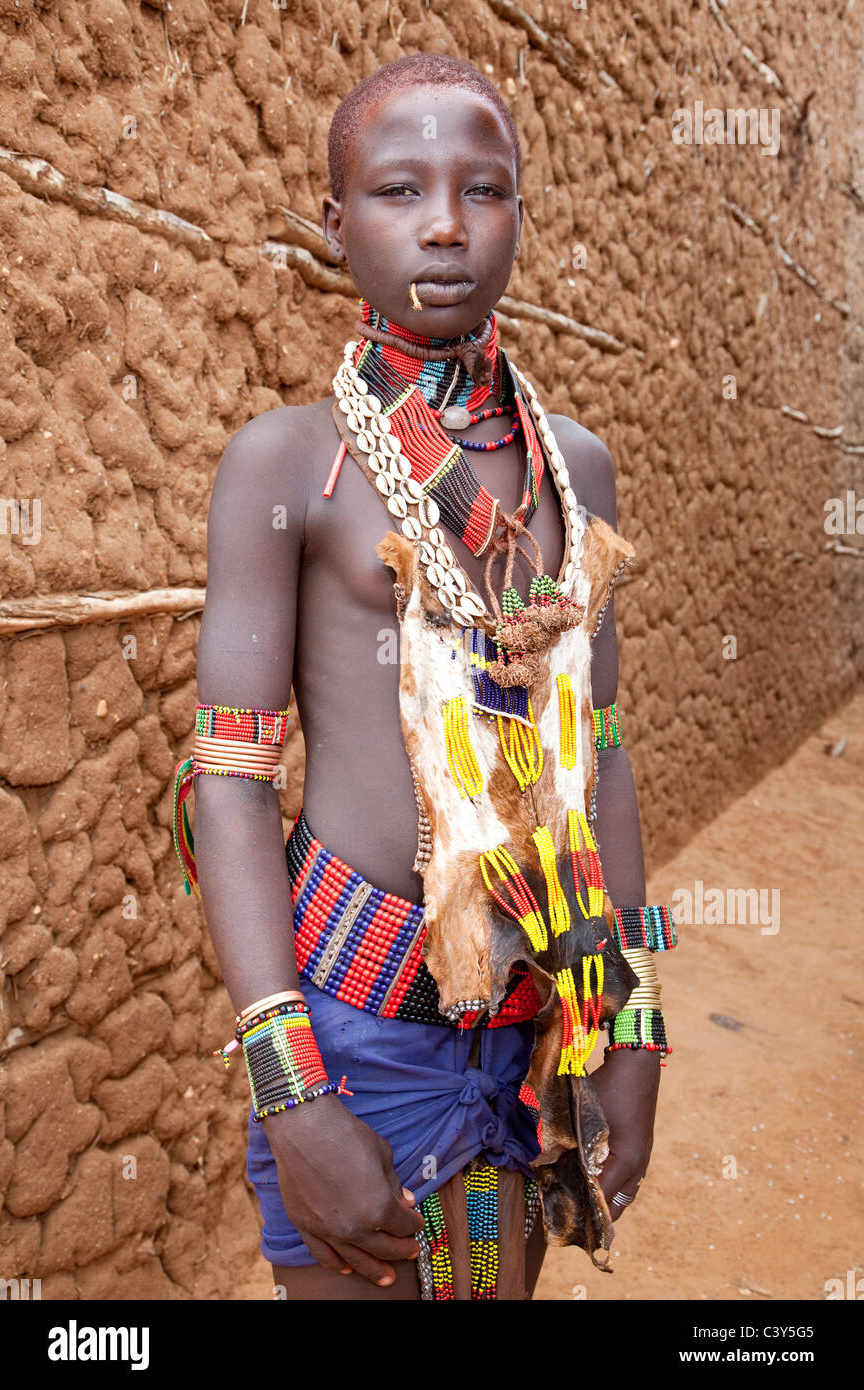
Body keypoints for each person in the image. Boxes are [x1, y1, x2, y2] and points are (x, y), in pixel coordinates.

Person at [177, 54, 671, 1302]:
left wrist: (628, 1015)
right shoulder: (287, 465)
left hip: (530, 1014)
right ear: (337, 225)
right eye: (399, 189)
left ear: (518, 212)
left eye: (484, 188)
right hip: (354, 1026)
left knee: (490, 1288)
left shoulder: (576, 471)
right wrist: (289, 1085)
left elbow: (597, 747)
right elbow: (226, 783)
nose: (446, 222)